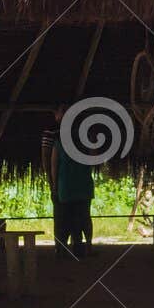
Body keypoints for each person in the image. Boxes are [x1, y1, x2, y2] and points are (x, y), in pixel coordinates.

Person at [49, 105, 96, 259]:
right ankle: (85, 246)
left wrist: (55, 186)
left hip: (67, 187)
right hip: (81, 185)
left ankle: (67, 248)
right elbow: (93, 159)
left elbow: (54, 166)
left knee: (67, 218)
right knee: (84, 217)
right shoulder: (85, 141)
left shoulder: (60, 142)